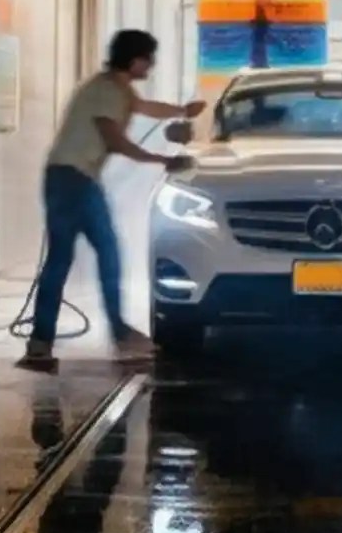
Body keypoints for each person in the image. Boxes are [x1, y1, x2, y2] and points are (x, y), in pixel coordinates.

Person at [18, 29, 206, 372]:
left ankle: (41, 343)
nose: (150, 65)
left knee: (62, 258)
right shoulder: (106, 90)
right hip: (74, 179)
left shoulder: (115, 88)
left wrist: (183, 110)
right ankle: (118, 335)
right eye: (148, 59)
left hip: (65, 176)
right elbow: (114, 139)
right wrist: (162, 160)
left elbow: (148, 107)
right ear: (136, 60)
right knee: (105, 249)